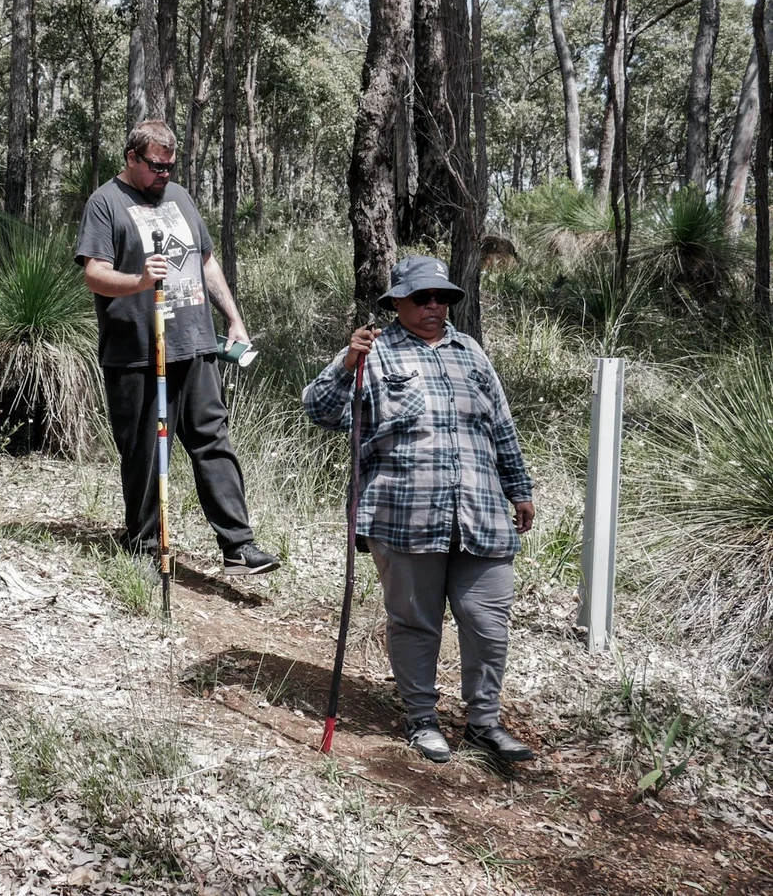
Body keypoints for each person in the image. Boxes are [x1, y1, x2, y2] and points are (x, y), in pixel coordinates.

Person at [302, 255, 536, 764]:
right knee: (415, 621)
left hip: (480, 510)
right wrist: (346, 362)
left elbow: (501, 424)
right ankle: (422, 718)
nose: (434, 306)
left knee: (487, 619)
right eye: (421, 298)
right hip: (404, 514)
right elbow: (320, 409)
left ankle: (484, 722)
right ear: (396, 303)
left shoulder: (470, 351)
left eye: (442, 297)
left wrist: (519, 487)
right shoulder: (375, 352)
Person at [74, 119, 281, 577]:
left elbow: (205, 259)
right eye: (155, 166)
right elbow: (93, 272)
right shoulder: (106, 203)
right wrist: (140, 282)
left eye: (170, 165)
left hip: (194, 342)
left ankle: (239, 546)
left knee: (213, 439)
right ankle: (145, 547)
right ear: (131, 159)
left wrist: (233, 317)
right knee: (145, 452)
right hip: (137, 350)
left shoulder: (181, 197)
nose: (164, 174)